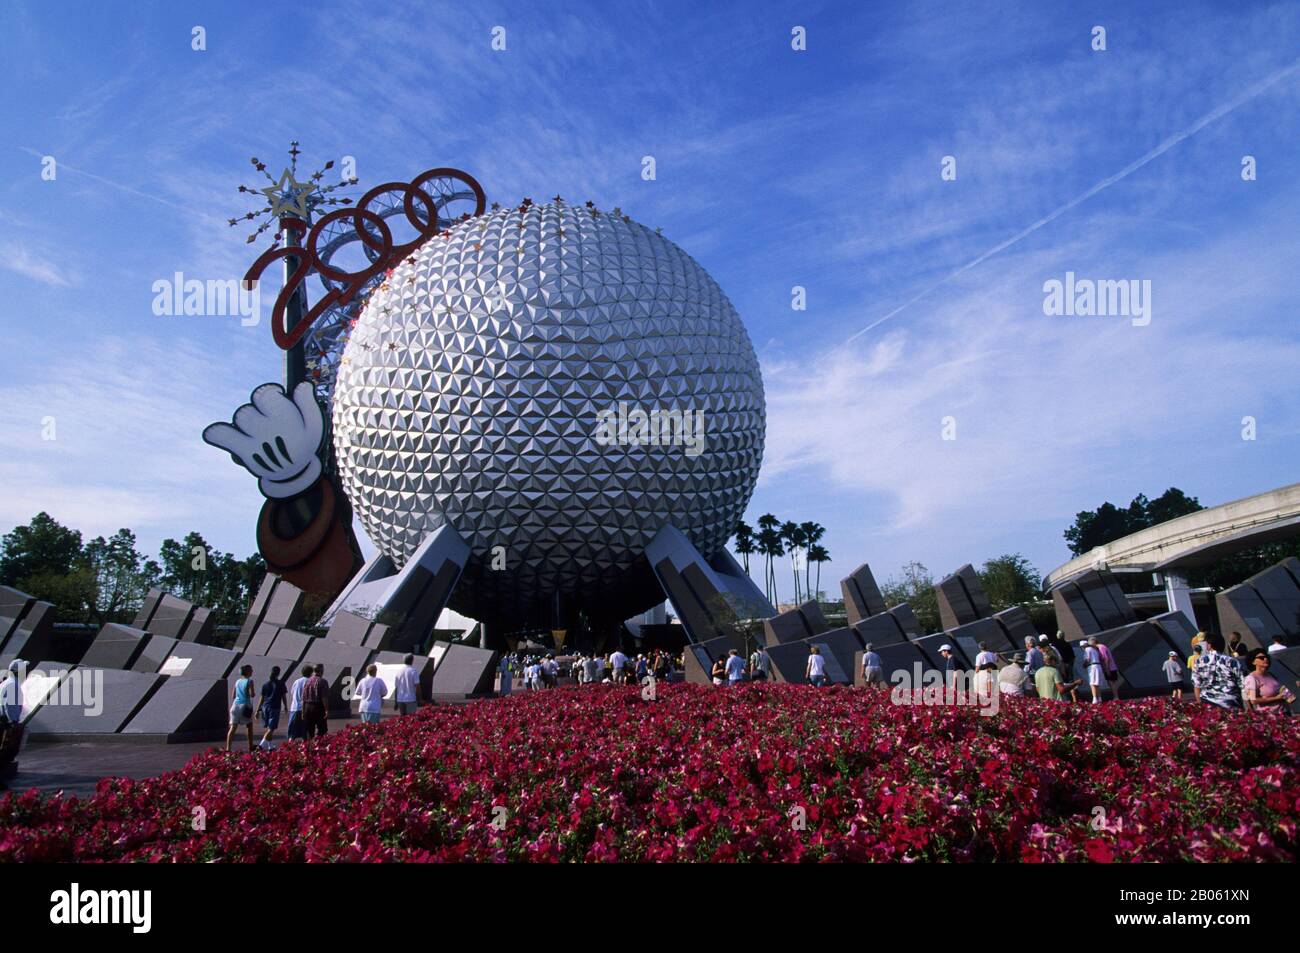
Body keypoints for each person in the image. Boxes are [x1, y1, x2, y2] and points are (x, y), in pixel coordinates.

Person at [1192, 632, 1244, 711]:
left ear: (1209, 645)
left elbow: (1197, 685)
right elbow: (1242, 684)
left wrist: (1200, 703)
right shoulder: (1232, 661)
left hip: (1208, 702)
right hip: (1231, 702)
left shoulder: (1199, 662)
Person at [1243, 651, 1293, 715]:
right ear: (1253, 662)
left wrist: (1288, 694)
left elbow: (1281, 690)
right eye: (1261, 658)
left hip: (1284, 712)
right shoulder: (1251, 678)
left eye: (1266, 657)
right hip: (1269, 716)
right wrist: (1276, 698)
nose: (1265, 659)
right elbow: (1253, 700)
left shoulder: (1270, 674)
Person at [226, 664, 257, 752]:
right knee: (249, 725)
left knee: (233, 727)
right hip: (244, 707)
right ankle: (251, 746)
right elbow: (252, 694)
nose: (252, 671)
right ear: (247, 672)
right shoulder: (250, 681)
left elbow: (233, 696)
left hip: (235, 706)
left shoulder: (237, 681)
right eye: (251, 670)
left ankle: (228, 748)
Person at [257, 666, 288, 750]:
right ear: (278, 673)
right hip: (274, 707)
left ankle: (270, 747)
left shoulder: (266, 684)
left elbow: (262, 697)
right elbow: (283, 696)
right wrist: (285, 706)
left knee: (269, 728)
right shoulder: (281, 683)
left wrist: (257, 710)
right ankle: (261, 745)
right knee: (271, 728)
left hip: (265, 707)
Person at [301, 665, 330, 738]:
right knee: (322, 729)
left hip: (308, 707)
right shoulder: (323, 681)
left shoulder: (307, 681)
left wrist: (303, 711)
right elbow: (324, 697)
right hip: (318, 707)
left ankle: (310, 746)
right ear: (321, 671)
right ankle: (319, 745)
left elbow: (304, 698)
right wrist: (326, 709)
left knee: (310, 730)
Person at [286, 664, 311, 740]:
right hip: (306, 710)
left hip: (294, 709)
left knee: (292, 733)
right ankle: (306, 748)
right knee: (306, 732)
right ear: (310, 673)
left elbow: (292, 692)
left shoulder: (296, 681)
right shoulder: (310, 681)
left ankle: (289, 748)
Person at [1082, 638, 1105, 704]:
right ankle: (1099, 698)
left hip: (1092, 667)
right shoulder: (1095, 649)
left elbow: (1087, 659)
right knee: (1097, 684)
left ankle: (1094, 699)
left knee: (1092, 683)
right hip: (1098, 666)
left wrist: (1084, 665)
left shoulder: (1087, 649)